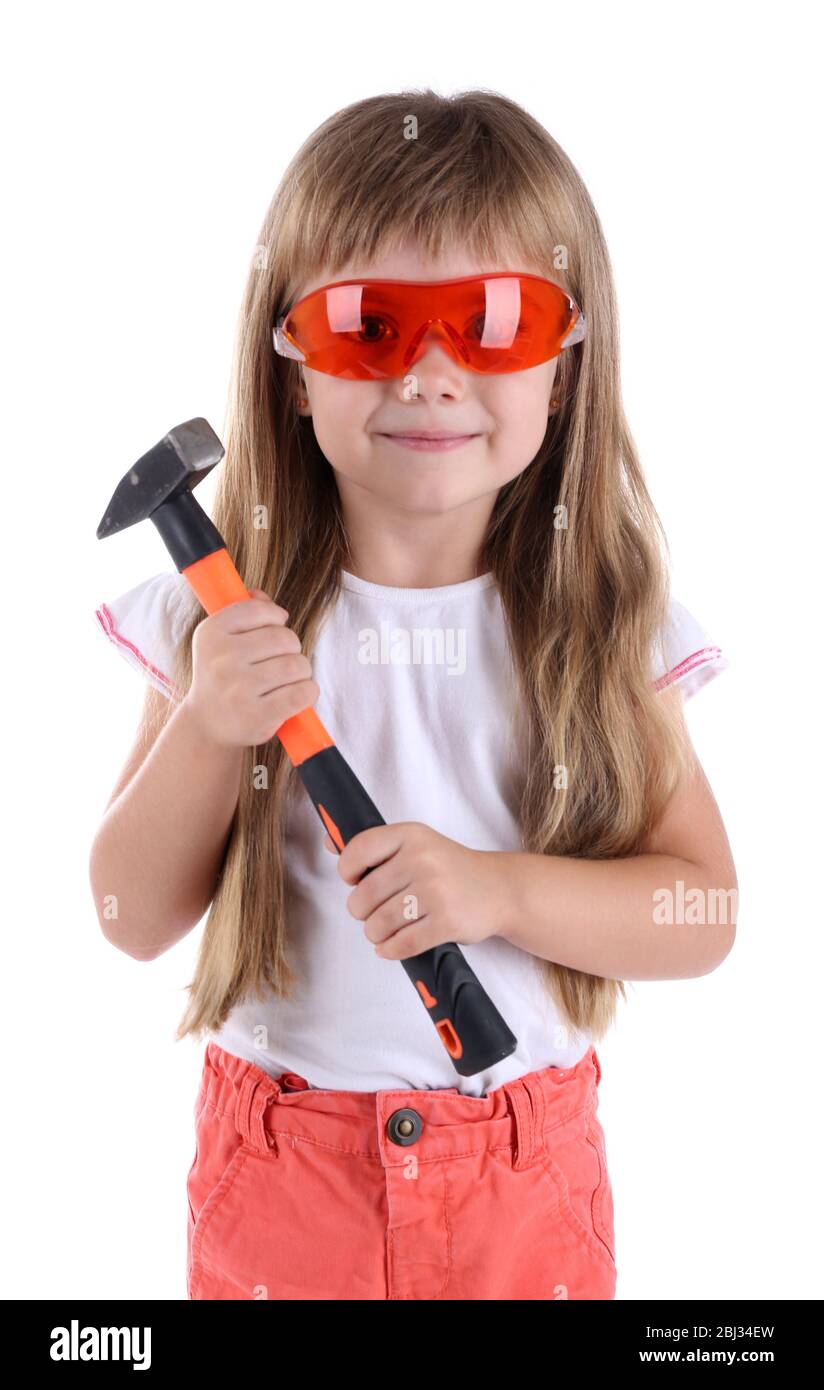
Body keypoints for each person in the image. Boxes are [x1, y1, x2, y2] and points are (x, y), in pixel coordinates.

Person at [89, 89, 737, 1301]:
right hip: (282, 1171)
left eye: (492, 324)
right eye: (369, 328)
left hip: (520, 1178)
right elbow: (128, 914)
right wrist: (208, 726)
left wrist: (493, 890)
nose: (432, 377)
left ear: (562, 366)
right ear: (288, 367)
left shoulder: (597, 625)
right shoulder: (212, 621)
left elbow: (702, 914)